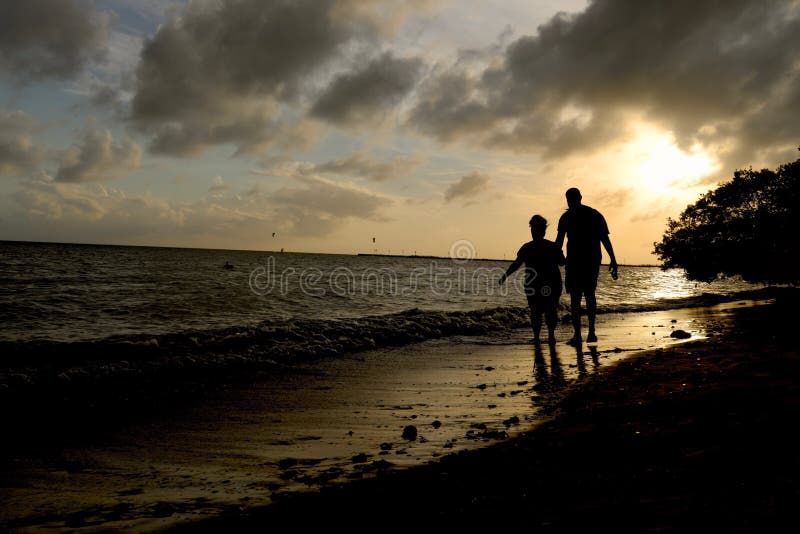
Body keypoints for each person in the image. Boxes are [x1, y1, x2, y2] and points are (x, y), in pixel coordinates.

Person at [555, 187, 618, 346]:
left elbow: (559, 243)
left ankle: (581, 335)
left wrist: (613, 259)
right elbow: (604, 239)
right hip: (587, 260)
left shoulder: (570, 217)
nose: (571, 201)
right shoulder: (591, 215)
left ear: (576, 198)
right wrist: (613, 259)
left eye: (571, 198)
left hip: (581, 261)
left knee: (578, 297)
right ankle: (589, 333)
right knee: (588, 295)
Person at [499, 215, 565, 344]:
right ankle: (549, 336)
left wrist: (505, 275)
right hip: (546, 284)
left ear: (536, 230)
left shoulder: (528, 247)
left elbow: (517, 263)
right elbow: (563, 262)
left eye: (533, 228)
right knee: (547, 310)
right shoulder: (552, 247)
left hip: (539, 284)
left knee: (538, 311)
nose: (532, 231)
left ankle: (539, 337)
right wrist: (505, 275)